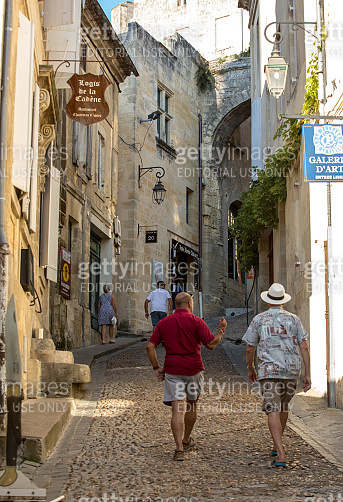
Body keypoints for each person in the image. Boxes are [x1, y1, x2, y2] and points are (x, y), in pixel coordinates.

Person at [146, 292, 227, 461]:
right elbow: (211, 344)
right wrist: (221, 331)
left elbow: (150, 346)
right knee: (191, 405)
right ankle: (186, 439)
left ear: (175, 305)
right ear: (190, 304)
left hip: (173, 369)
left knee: (177, 408)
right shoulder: (197, 321)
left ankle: (178, 449)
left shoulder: (163, 323)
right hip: (193, 369)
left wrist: (156, 368)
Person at [242, 283, 311, 468]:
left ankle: (280, 454)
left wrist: (251, 368)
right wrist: (307, 373)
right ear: (283, 302)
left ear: (268, 301)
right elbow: (304, 346)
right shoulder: (294, 319)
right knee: (283, 405)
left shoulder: (259, 319)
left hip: (269, 371)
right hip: (291, 371)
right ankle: (276, 444)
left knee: (273, 408)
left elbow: (250, 348)